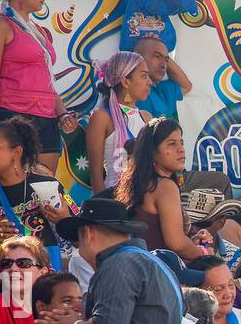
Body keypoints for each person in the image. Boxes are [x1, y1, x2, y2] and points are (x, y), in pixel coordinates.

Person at [0, 0, 75, 175]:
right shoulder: (0, 24)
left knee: (46, 187)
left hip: (47, 119)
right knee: (14, 186)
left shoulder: (38, 30)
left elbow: (46, 82)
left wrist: (62, 112)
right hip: (14, 117)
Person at [0, 116, 71, 273]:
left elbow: (80, 239)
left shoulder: (49, 186)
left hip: (44, 287)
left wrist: (64, 220)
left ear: (16, 152)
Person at [115, 117, 202, 263]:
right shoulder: (165, 187)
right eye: (171, 144)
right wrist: (203, 254)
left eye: (181, 142)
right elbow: (176, 243)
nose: (180, 149)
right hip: (163, 270)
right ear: (153, 152)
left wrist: (193, 241)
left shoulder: (142, 184)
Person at [85, 51, 152, 195]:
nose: (150, 82)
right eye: (144, 76)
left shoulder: (146, 117)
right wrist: (103, 206)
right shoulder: (101, 117)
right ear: (126, 81)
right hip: (115, 199)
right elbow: (95, 170)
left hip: (145, 198)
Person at [133, 35, 193, 120]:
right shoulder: (126, 88)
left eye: (166, 60)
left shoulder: (163, 90)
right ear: (138, 56)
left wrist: (159, 46)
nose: (164, 65)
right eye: (157, 56)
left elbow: (186, 86)